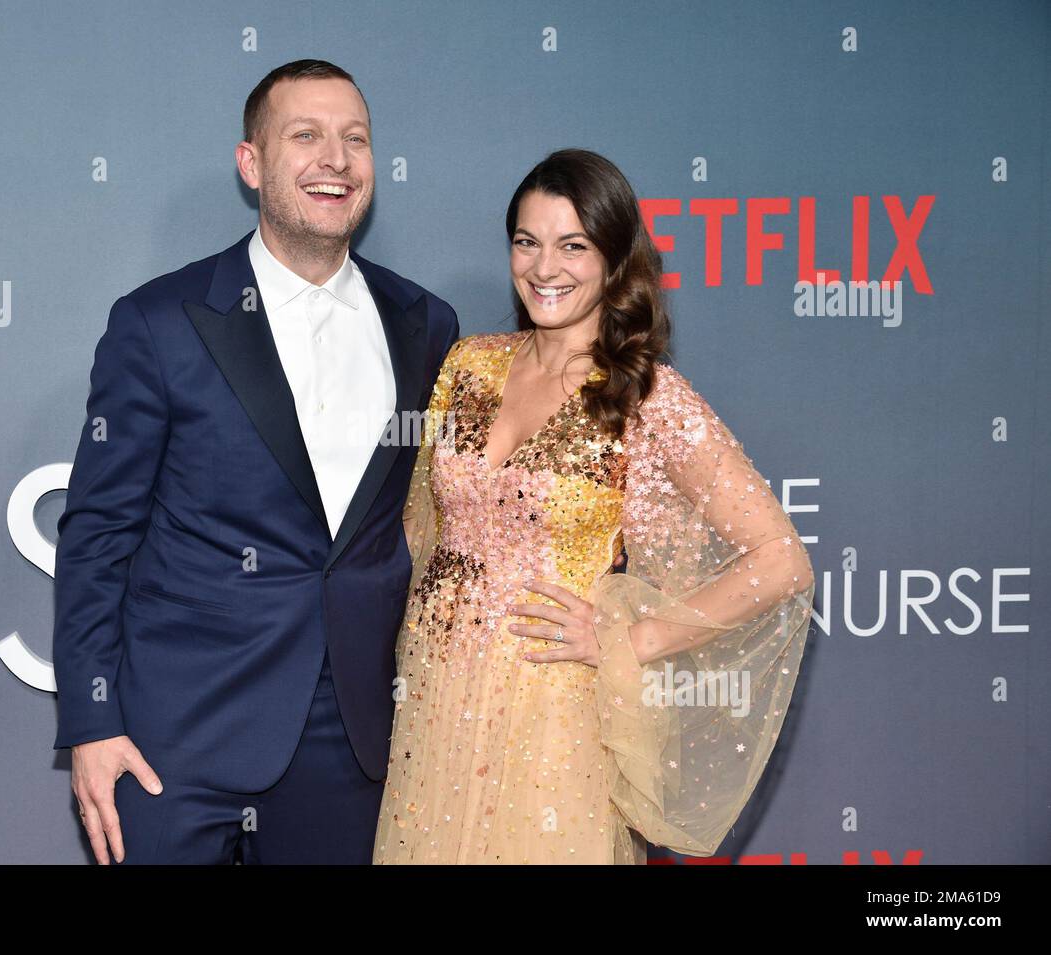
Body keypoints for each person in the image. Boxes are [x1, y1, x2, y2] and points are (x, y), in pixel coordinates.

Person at [52, 59, 459, 864]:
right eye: (305, 136)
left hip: (351, 741)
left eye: (355, 139)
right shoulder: (161, 320)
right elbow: (98, 534)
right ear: (252, 164)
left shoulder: (425, 324)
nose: (335, 160)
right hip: (176, 741)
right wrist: (93, 721)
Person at [373, 148, 815, 864]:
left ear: (615, 259)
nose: (545, 267)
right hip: (434, 697)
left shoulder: (645, 396)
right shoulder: (467, 364)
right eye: (527, 241)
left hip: (551, 715)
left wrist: (628, 639)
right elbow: (419, 533)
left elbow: (781, 560)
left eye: (573, 245)